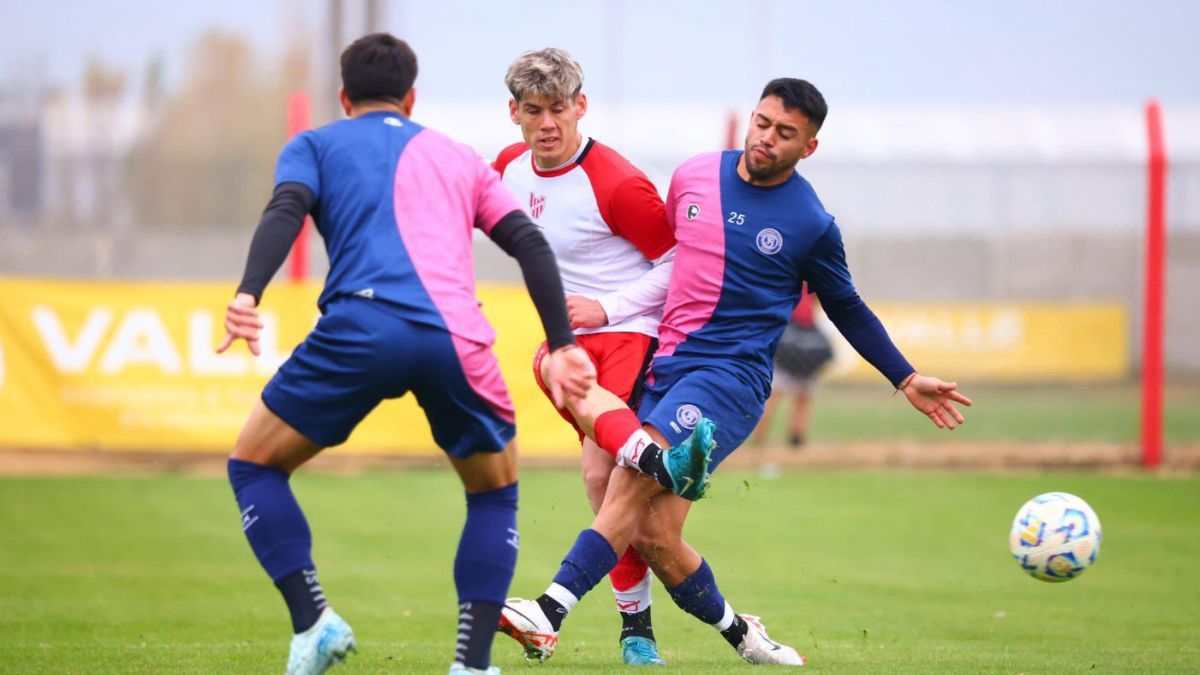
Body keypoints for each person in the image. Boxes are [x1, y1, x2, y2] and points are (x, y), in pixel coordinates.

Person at [497, 78, 972, 667]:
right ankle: (742, 634)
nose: (768, 139)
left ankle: (550, 610)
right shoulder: (694, 174)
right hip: (665, 363)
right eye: (763, 123)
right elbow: (662, 261)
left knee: (624, 480)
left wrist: (904, 377)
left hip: (730, 376)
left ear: (809, 147)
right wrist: (606, 309)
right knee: (654, 537)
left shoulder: (811, 223)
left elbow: (846, 306)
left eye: (786, 134)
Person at [215, 33, 595, 675]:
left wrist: (249, 293)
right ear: (411, 97)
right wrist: (561, 345)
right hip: (455, 337)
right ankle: (471, 665)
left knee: (254, 466)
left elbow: (286, 208)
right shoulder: (458, 157)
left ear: (343, 97)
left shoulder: (314, 144)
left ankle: (314, 621)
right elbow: (528, 242)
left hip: (359, 328)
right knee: (493, 496)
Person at [492, 48, 677, 667]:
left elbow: (680, 263)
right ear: (515, 112)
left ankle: (635, 630)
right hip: (571, 341)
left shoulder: (618, 182)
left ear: (582, 106)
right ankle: (646, 622)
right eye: (535, 110)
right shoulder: (508, 169)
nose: (549, 123)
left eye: (560, 109)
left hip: (629, 332)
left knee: (604, 479)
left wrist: (609, 304)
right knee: (614, 491)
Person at [752, 289, 833, 449]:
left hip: (804, 334)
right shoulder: (792, 277)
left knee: (802, 393)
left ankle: (796, 437)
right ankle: (759, 439)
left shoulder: (810, 278)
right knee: (775, 392)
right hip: (787, 334)